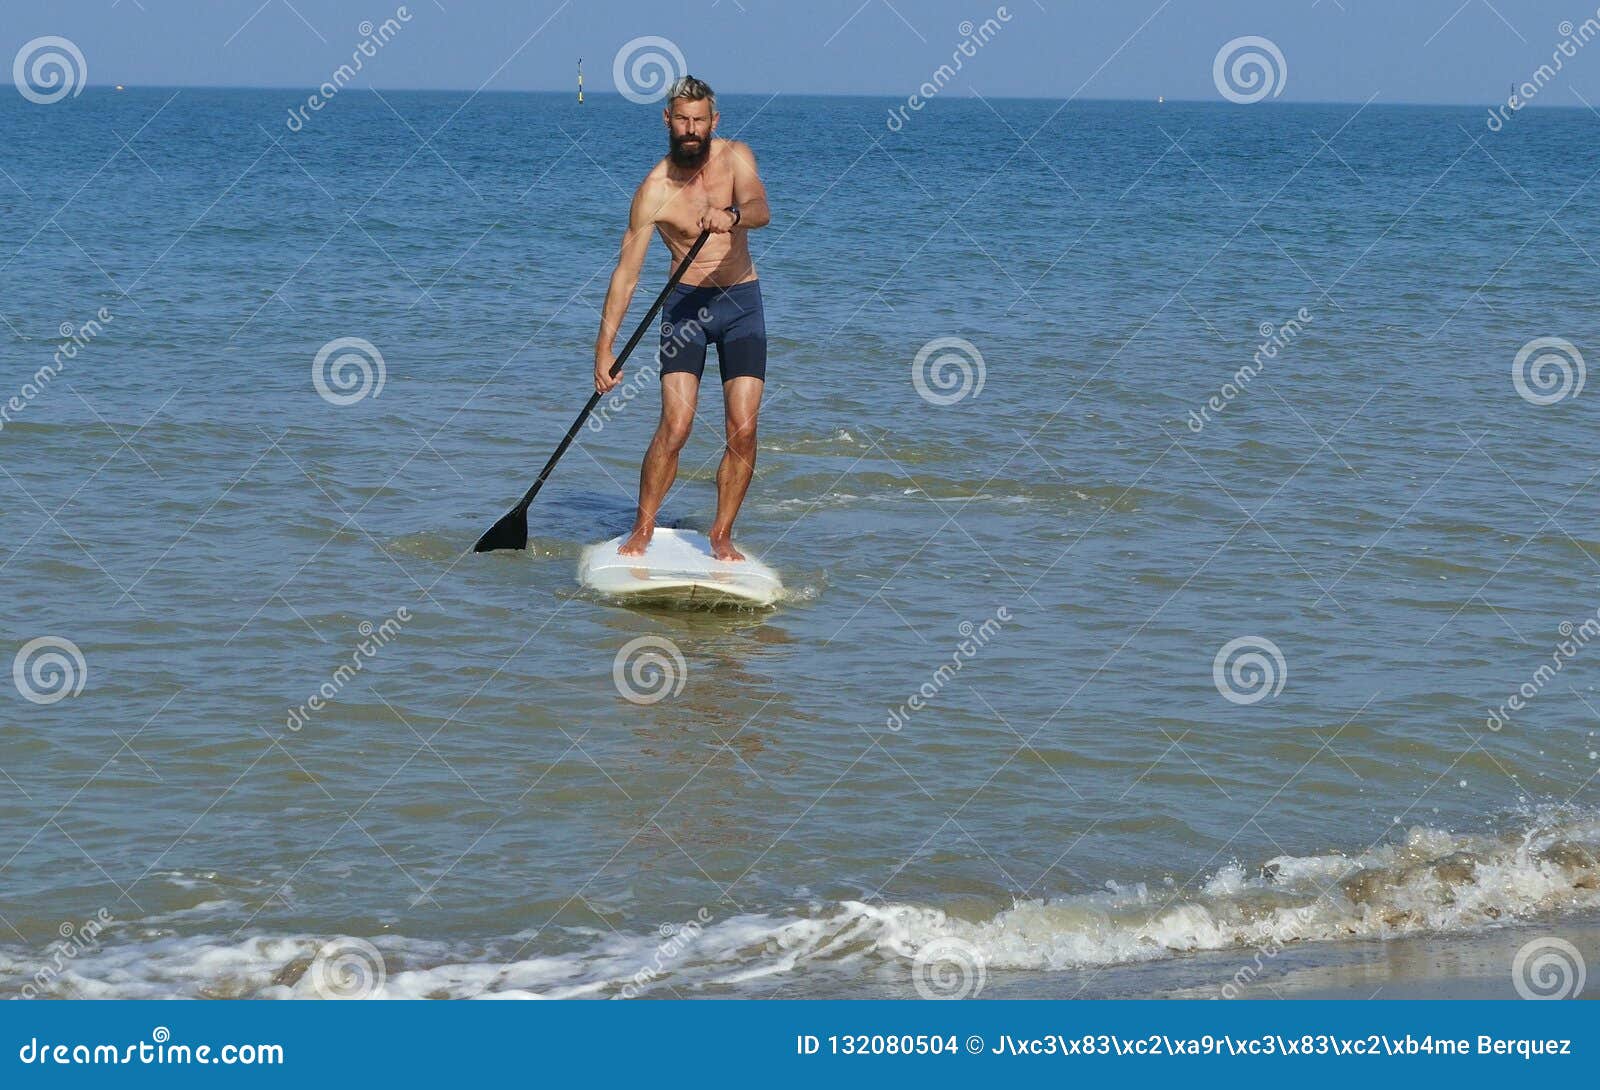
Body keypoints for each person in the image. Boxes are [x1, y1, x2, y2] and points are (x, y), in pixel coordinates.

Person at [593, 75, 770, 561]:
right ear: (667, 121)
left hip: (741, 303)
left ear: (714, 121)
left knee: (744, 428)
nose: (691, 129)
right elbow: (626, 275)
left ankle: (721, 534)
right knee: (677, 425)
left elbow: (760, 207)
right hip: (686, 307)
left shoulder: (736, 157)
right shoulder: (653, 191)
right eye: (682, 120)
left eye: (700, 120)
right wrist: (604, 348)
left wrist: (731, 215)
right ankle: (643, 529)